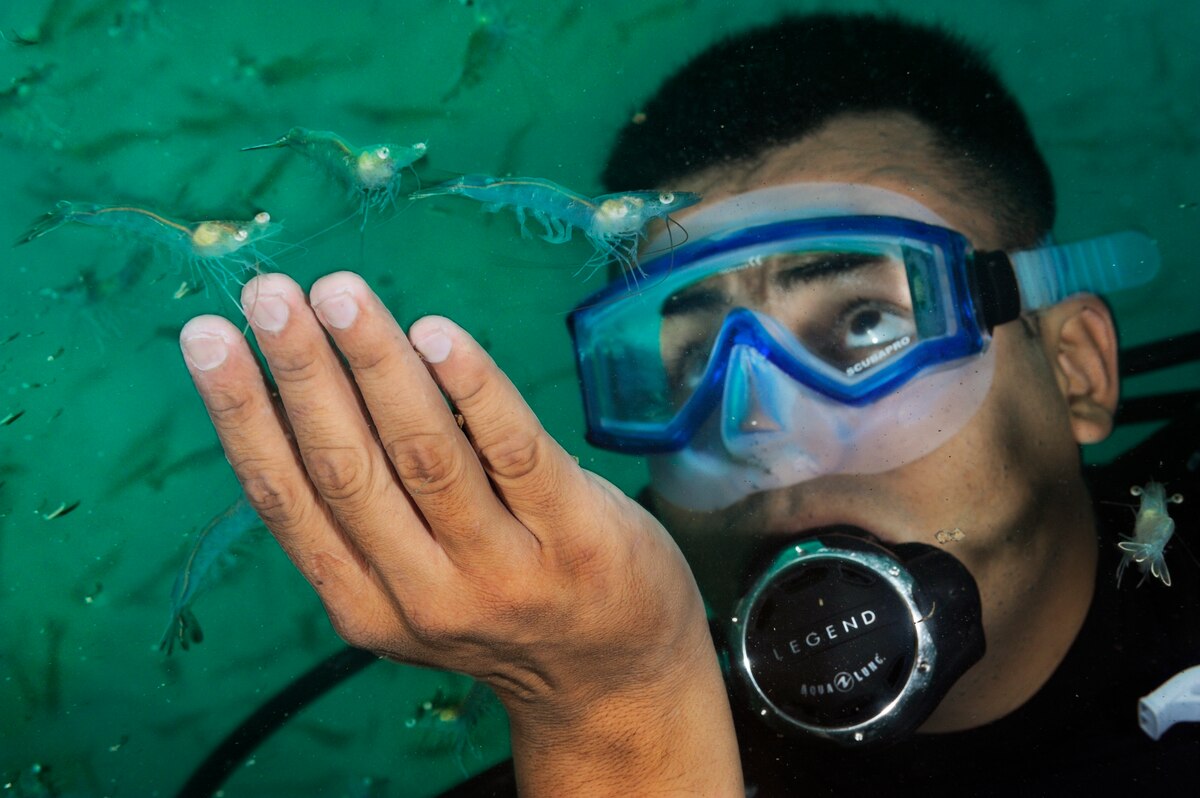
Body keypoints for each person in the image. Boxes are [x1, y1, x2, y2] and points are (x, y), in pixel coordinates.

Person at [177, 12, 1199, 796]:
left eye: (866, 327)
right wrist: (609, 715)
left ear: (1077, 371)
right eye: (683, 369)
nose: (761, 425)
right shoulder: (576, 740)